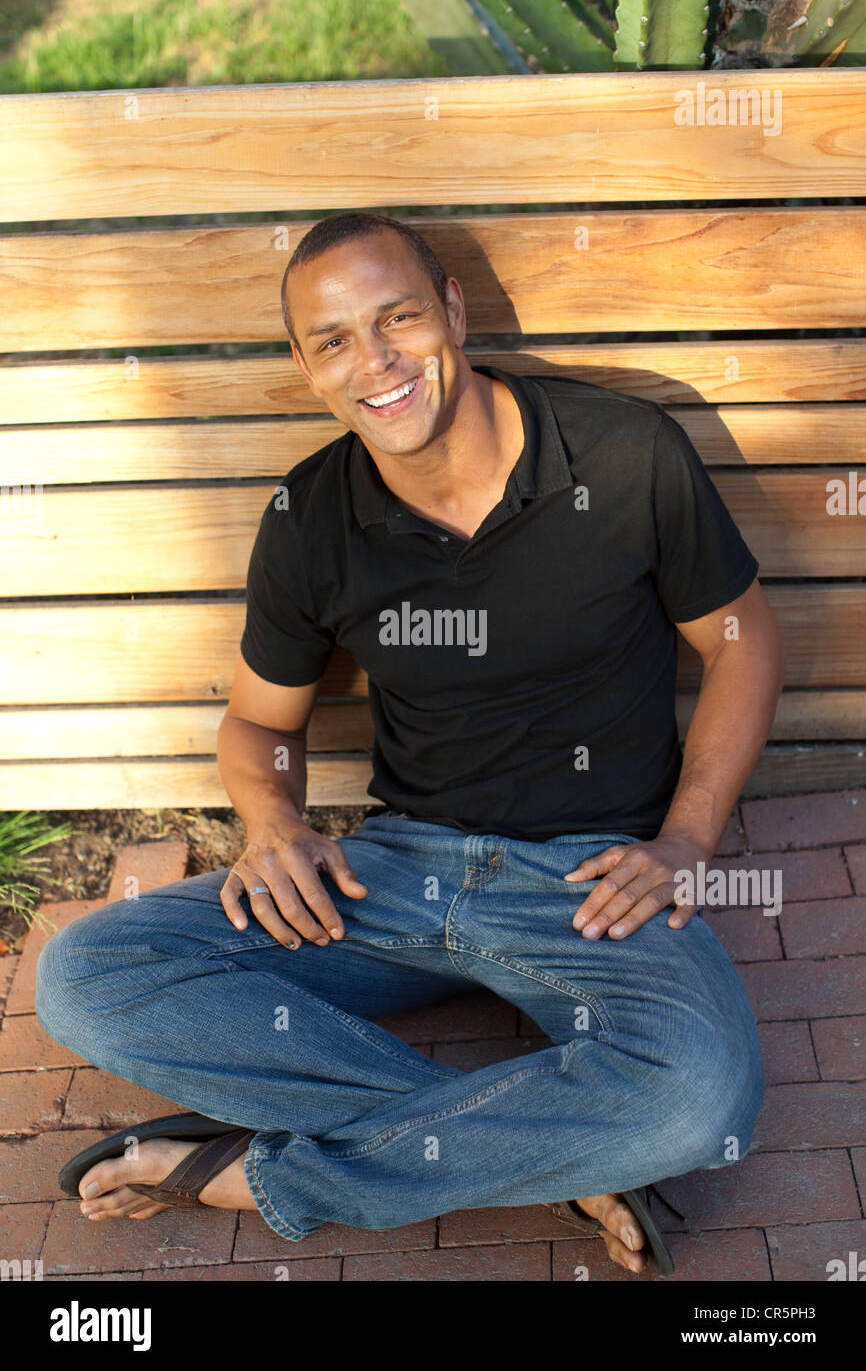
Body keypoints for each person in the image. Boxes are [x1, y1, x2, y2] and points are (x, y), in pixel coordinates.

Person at [36, 212, 783, 1277]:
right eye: (333, 339)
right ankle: (554, 1155)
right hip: (391, 875)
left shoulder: (619, 455)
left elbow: (744, 644)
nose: (374, 362)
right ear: (304, 364)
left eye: (397, 319)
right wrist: (274, 825)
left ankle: (257, 1171)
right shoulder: (309, 513)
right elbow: (258, 722)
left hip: (593, 879)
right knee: (87, 974)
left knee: (699, 1097)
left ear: (452, 314)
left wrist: (686, 842)